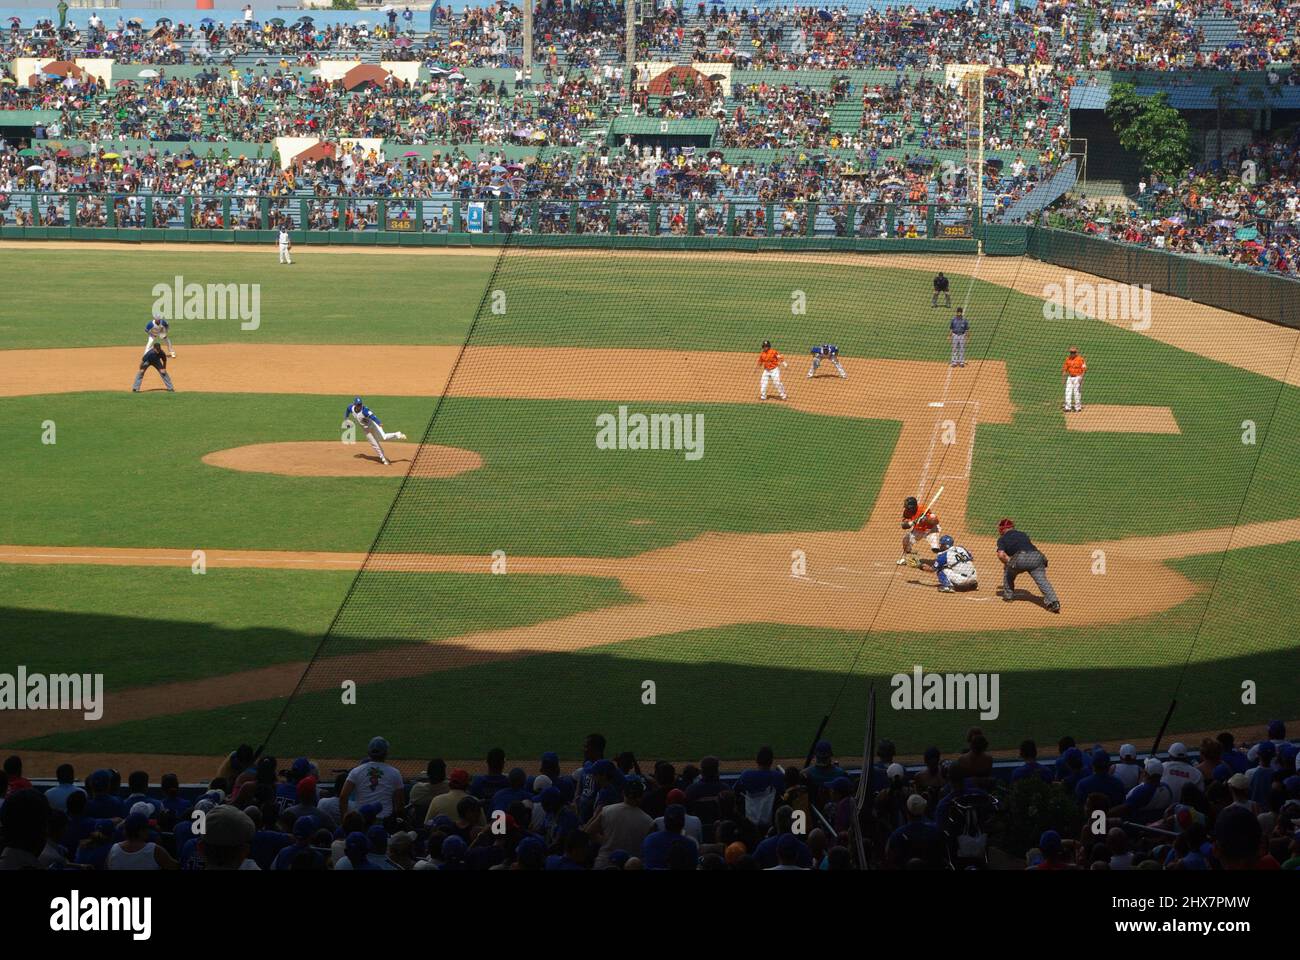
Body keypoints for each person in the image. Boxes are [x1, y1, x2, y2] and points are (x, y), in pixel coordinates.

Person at [995, 518, 1060, 612]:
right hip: (1037, 557)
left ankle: (1008, 596)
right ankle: (1054, 602)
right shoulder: (1022, 534)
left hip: (1021, 559)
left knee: (1008, 569)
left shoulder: (1002, 539)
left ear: (1002, 529)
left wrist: (1009, 562)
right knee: (1042, 580)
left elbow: (1001, 555)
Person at [338, 736, 406, 821]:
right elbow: (400, 803)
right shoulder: (395, 773)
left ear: (369, 753)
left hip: (362, 821)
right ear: (386, 753)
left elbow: (343, 797)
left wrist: (344, 819)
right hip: (385, 820)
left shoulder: (356, 771)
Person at [342, 397, 407, 466]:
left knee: (383, 437)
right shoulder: (351, 407)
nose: (360, 406)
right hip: (366, 430)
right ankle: (384, 459)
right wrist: (346, 419)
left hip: (374, 426)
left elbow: (373, 416)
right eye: (358, 404)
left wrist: (379, 422)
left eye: (360, 404)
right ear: (355, 405)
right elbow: (347, 410)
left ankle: (398, 435)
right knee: (375, 445)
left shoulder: (365, 410)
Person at [897, 495, 941, 564]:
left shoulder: (924, 510)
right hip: (919, 530)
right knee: (906, 540)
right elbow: (903, 526)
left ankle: (942, 561)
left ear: (912, 508)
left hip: (931, 530)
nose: (905, 508)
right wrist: (912, 522)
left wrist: (925, 520)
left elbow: (936, 521)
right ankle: (905, 558)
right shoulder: (906, 512)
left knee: (935, 548)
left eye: (907, 507)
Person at [1062, 345, 1086, 412]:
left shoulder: (1080, 359)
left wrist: (1081, 378)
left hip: (1077, 377)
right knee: (1068, 392)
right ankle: (1068, 407)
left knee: (1077, 392)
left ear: (1076, 352)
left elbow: (1084, 369)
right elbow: (1065, 369)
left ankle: (1078, 407)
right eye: (1071, 352)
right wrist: (1063, 378)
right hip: (1070, 377)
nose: (1072, 353)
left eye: (1073, 352)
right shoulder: (1068, 359)